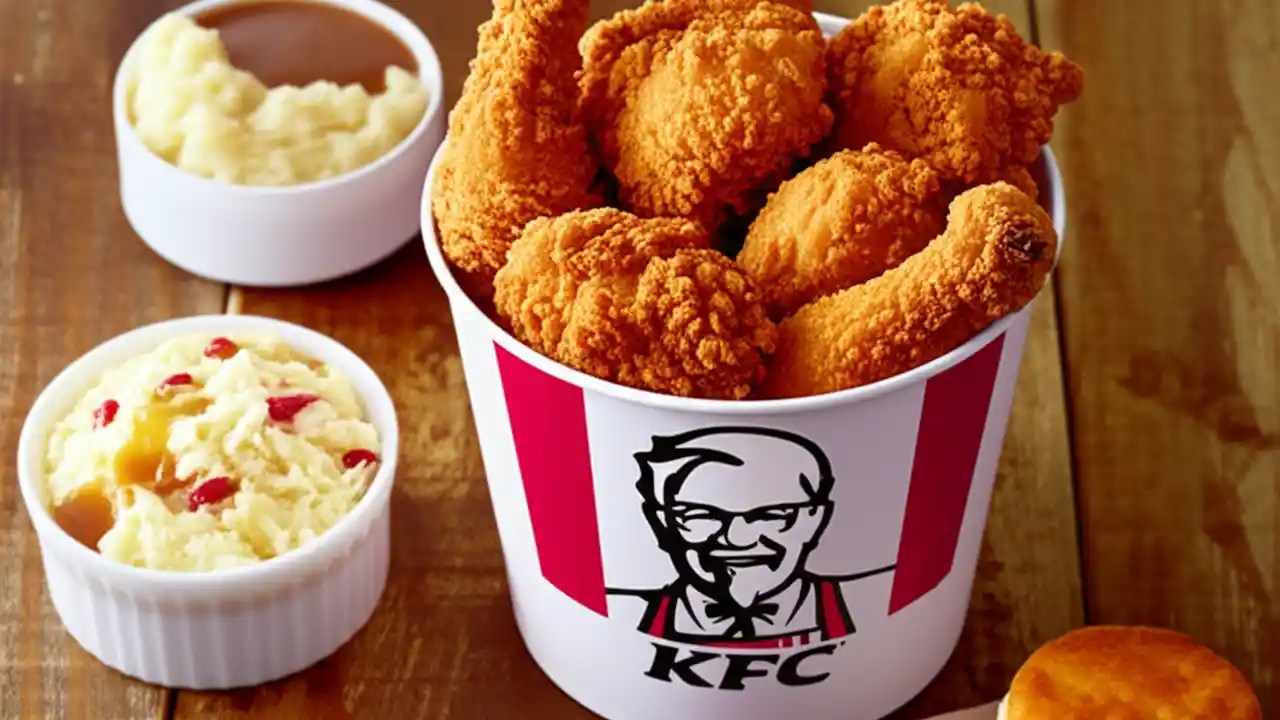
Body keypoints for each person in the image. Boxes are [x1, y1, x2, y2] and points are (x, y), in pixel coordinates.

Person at [608, 427, 892, 648]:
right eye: (700, 515)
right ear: (662, 523)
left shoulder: (872, 599)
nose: (738, 539)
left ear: (815, 519)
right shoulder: (622, 614)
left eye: (772, 514)